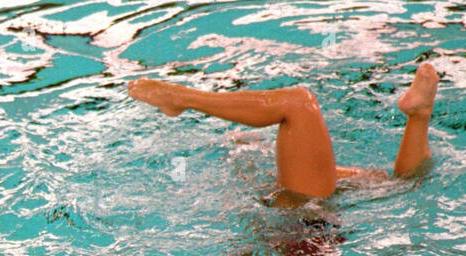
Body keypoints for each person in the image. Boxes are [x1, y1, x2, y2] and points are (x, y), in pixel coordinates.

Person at [129, 63, 438, 201]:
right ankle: (419, 116)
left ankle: (181, 99)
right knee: (297, 104)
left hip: (307, 220)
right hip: (308, 220)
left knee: (297, 105)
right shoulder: (294, 253)